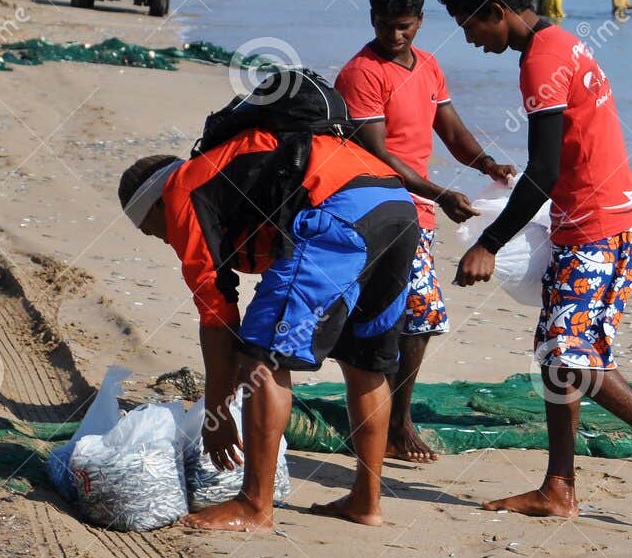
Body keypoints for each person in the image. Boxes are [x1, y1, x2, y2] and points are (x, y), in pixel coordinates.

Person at [436, 0, 632, 519]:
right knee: (556, 353)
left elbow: (544, 171)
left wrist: (490, 242)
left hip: (597, 228)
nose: (472, 41)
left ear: (497, 10)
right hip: (605, 219)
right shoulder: (559, 42)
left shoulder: (541, 59)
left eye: (470, 26)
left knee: (568, 353)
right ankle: (559, 486)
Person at [118, 124, 420, 532]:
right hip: (395, 202)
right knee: (365, 359)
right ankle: (366, 502)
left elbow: (218, 318)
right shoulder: (222, 173)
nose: (163, 239)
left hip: (339, 208)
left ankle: (254, 506)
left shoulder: (182, 193)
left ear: (154, 206)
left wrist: (218, 412)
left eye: (152, 230)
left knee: (261, 353)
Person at [334, 0, 516, 464]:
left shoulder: (429, 67)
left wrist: (486, 164)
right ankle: (392, 425)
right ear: (372, 18)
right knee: (411, 316)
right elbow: (377, 154)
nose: (396, 36)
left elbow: (450, 128)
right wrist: (439, 192)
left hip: (417, 212)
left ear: (421, 21)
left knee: (410, 319)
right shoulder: (361, 74)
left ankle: (390, 420)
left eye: (406, 26)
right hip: (373, 206)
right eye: (387, 26)